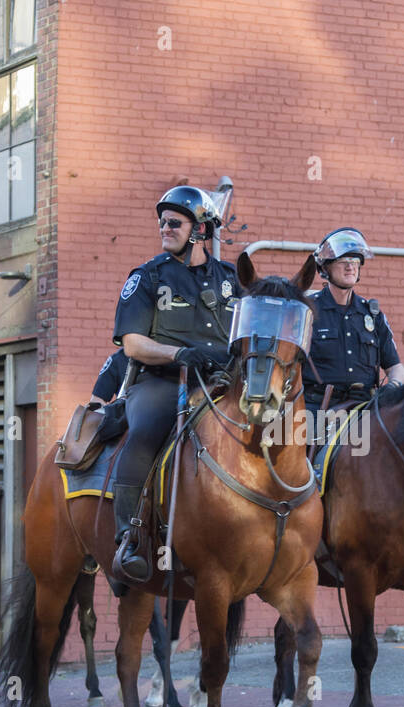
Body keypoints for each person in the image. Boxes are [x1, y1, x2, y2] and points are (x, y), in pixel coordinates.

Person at [109, 186, 244, 581]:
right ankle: (129, 538)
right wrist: (176, 354)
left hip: (222, 382)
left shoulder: (231, 279)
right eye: (161, 223)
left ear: (200, 229)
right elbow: (132, 344)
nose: (164, 229)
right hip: (164, 382)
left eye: (174, 223)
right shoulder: (147, 277)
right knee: (147, 432)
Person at [301, 227, 404, 413]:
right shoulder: (307, 311)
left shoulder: (372, 314)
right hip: (317, 410)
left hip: (364, 409)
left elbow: (395, 366)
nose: (350, 267)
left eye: (355, 261)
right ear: (325, 268)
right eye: (343, 261)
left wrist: (392, 387)